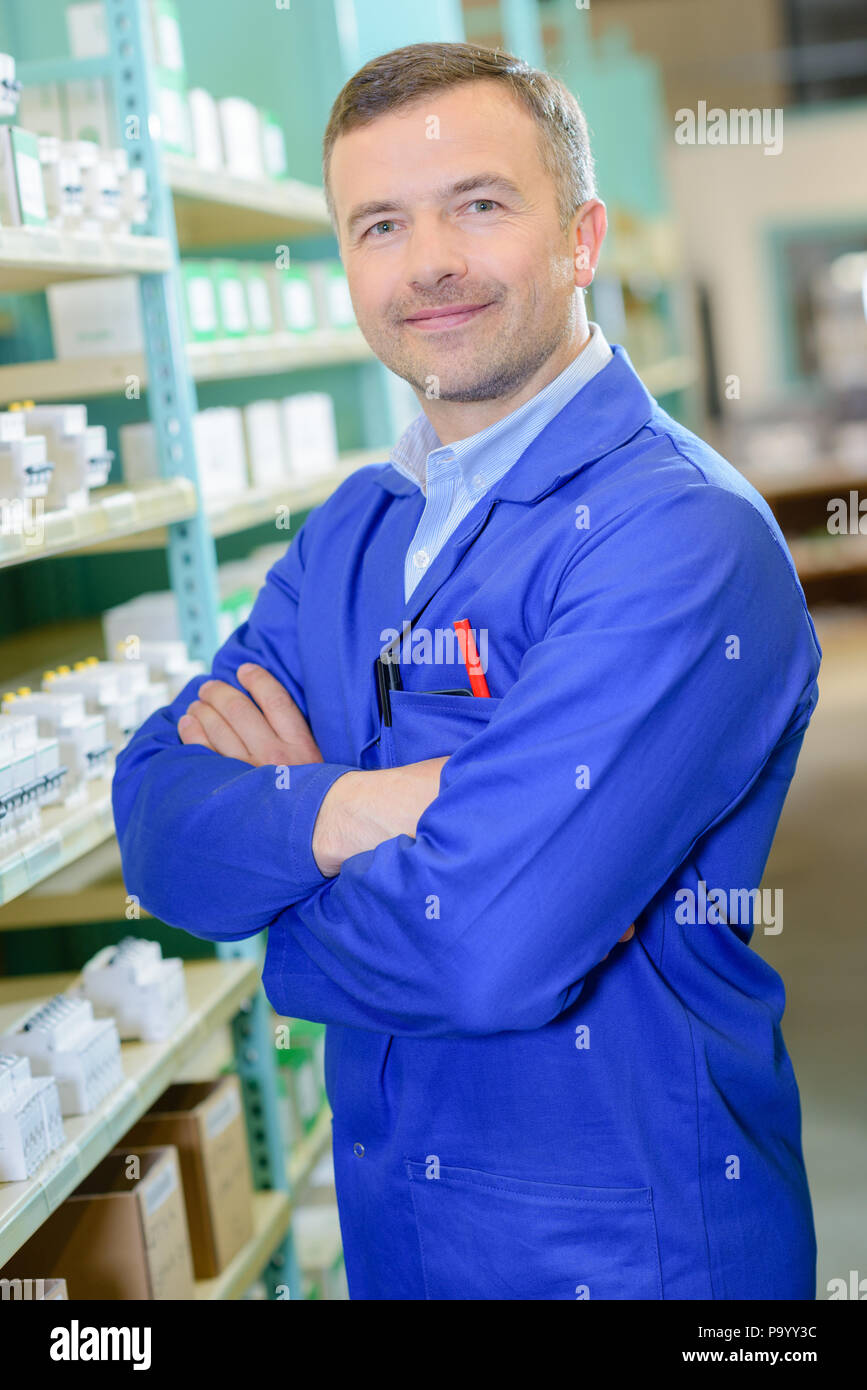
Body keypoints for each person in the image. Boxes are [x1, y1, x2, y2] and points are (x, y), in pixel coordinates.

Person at [113, 41, 821, 1300]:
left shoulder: (680, 537)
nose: (428, 261)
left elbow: (483, 947)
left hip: (629, 1255)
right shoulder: (352, 531)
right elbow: (157, 827)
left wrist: (280, 871)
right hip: (408, 1244)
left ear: (582, 238)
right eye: (379, 223)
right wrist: (381, 805)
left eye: (478, 206)